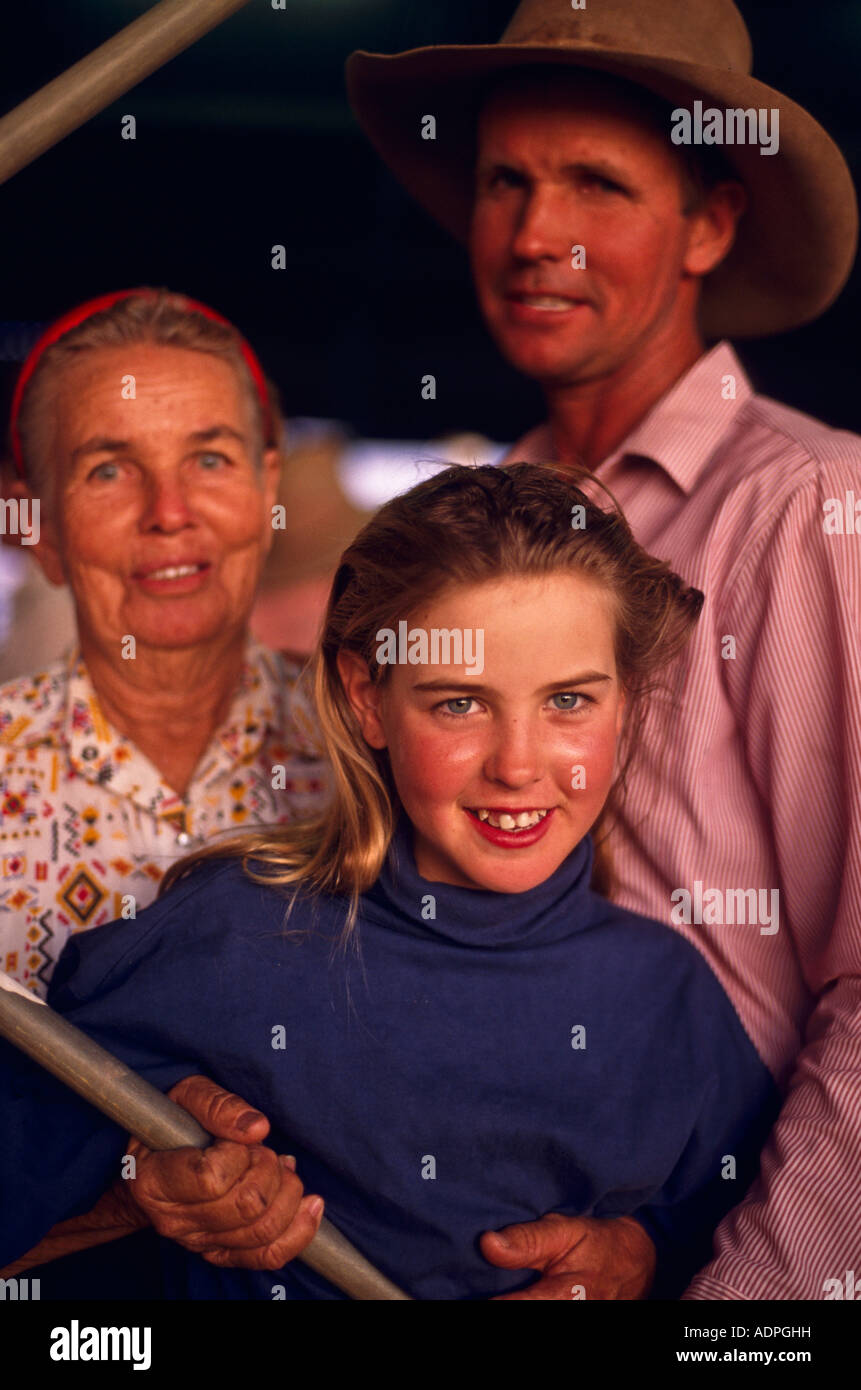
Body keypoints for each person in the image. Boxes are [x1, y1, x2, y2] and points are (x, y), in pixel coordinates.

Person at [345, 0, 861, 1299]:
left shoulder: (807, 509)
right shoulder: (470, 525)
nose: (532, 235)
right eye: (505, 181)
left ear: (711, 221)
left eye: (595, 183)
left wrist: (718, 1295)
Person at [0, 463, 778, 1300]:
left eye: (567, 701)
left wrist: (645, 1253)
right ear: (366, 698)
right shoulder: (228, 939)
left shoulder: (667, 997)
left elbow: (747, 1259)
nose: (517, 766)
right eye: (459, 704)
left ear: (625, 700)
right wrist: (133, 1186)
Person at [0, 289, 329, 997]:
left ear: (266, 488)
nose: (169, 513)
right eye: (108, 471)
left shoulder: (372, 753)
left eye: (208, 459)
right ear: (43, 531)